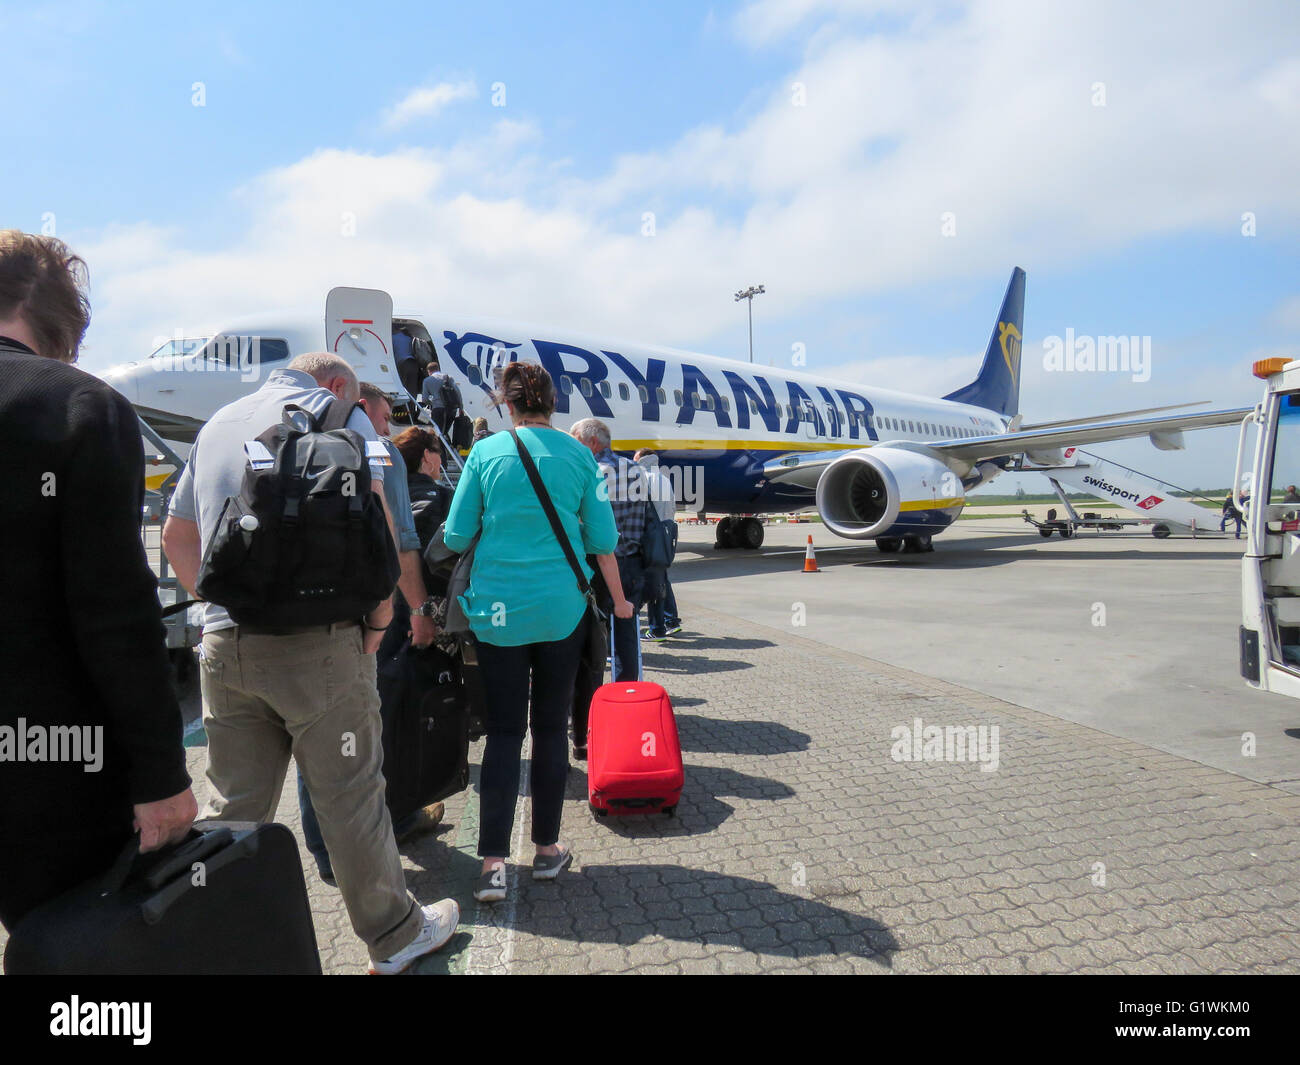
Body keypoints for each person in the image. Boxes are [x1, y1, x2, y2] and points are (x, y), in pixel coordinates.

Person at [162, 352, 458, 974]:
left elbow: (176, 537)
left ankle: (211, 940)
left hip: (225, 647)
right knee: (350, 796)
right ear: (336, 384)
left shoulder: (217, 425)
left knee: (235, 807)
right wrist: (378, 628)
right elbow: (380, 538)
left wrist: (220, 611)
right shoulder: (345, 420)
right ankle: (395, 934)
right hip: (322, 647)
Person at [0, 231, 196, 930]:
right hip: (51, 775)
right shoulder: (78, 405)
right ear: (60, 321)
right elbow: (114, 613)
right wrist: (162, 777)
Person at [442, 363, 630, 904]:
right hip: (559, 611)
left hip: (497, 611)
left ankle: (493, 867)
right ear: (552, 401)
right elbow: (602, 537)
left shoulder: (485, 453)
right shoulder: (580, 456)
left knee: (504, 734)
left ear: (506, 404)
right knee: (550, 730)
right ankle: (546, 851)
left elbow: (456, 535)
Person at [295, 383, 444, 887]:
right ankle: (390, 829)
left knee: (310, 739)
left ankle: (322, 853)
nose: (386, 429)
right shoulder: (375, 453)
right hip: (361, 623)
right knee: (369, 731)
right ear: (351, 398)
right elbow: (402, 543)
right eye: (382, 417)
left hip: (287, 618)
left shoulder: (278, 441)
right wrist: (416, 610)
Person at [570, 418, 650, 683]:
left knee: (594, 632)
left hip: (601, 564)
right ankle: (628, 689)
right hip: (633, 560)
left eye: (576, 440)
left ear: (592, 443)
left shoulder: (593, 472)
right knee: (628, 631)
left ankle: (592, 697)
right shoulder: (636, 469)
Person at [635, 449, 683, 641]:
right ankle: (671, 621)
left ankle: (656, 629)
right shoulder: (663, 478)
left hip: (650, 535)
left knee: (652, 581)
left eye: (635, 458)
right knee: (661, 577)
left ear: (641, 459)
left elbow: (638, 510)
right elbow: (671, 507)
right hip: (666, 533)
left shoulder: (642, 477)